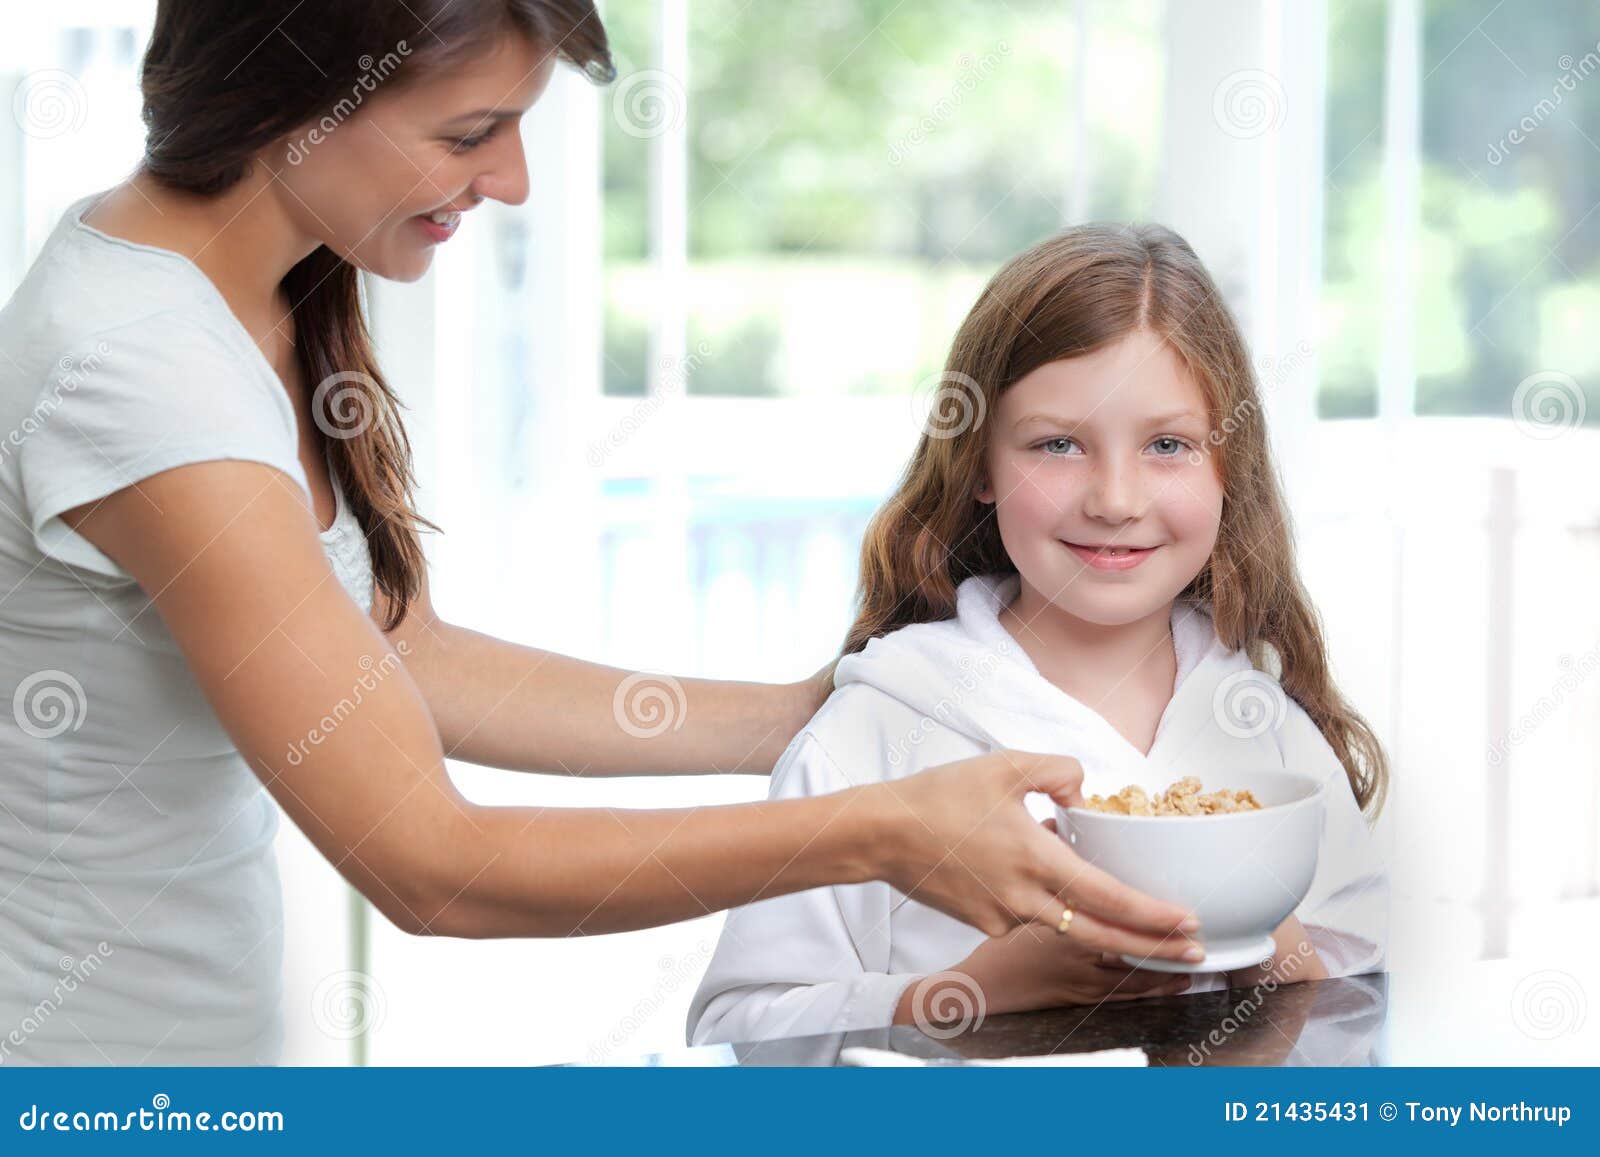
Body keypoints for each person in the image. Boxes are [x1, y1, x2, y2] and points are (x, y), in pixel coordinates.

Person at [0, 3, 1202, 1065]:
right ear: (298, 101)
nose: (512, 179)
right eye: (469, 133)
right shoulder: (141, 375)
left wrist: (827, 710)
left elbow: (387, 653)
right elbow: (430, 860)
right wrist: (877, 832)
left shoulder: (242, 291)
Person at [688, 224, 1391, 1046]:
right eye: (1058, 444)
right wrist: (968, 992)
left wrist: (1266, 946)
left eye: (1168, 445)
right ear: (978, 464)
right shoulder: (877, 727)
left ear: (1226, 467)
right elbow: (735, 1028)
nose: (1116, 498)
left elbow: (1362, 978)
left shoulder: (1263, 717)